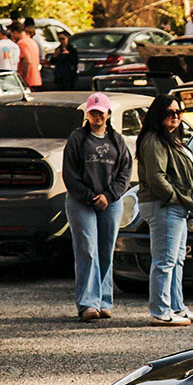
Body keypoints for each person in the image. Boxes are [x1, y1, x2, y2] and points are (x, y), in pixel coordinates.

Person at [62, 92, 133, 321]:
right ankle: (87, 303)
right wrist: (91, 196)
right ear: (87, 114)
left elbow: (125, 172)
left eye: (101, 112)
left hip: (110, 202)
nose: (97, 116)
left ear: (108, 114)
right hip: (81, 202)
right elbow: (70, 174)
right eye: (93, 112)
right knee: (87, 250)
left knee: (105, 251)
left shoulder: (117, 140)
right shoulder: (78, 139)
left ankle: (104, 300)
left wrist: (109, 195)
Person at [136, 95, 193, 326]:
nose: (175, 116)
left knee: (177, 260)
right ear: (158, 114)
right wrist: (175, 198)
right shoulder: (154, 140)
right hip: (164, 205)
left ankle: (177, 306)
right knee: (164, 261)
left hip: (177, 207)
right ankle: (161, 311)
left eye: (179, 111)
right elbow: (156, 177)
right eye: (169, 112)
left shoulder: (173, 139)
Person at [12, 21, 42, 88]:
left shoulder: (21, 43)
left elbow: (28, 61)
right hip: (36, 79)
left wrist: (23, 79)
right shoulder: (32, 41)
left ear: (15, 32)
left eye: (11, 33)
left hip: (29, 81)